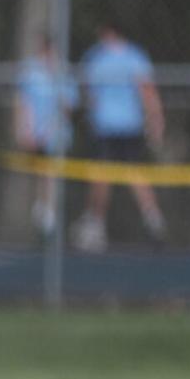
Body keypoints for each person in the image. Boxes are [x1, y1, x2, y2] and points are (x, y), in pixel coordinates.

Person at [70, 21, 167, 251]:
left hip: (107, 125)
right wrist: (155, 119)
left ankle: (97, 224)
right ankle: (152, 218)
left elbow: (89, 94)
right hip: (127, 124)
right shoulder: (134, 55)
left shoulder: (97, 57)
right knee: (132, 172)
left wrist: (155, 119)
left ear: (106, 32)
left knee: (103, 174)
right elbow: (148, 92)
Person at [13, 34, 77, 237]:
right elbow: (22, 102)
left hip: (56, 133)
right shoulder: (30, 70)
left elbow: (68, 107)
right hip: (34, 132)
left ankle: (50, 212)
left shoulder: (63, 72)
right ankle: (41, 208)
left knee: (51, 171)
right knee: (39, 171)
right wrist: (25, 129)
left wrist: (52, 126)